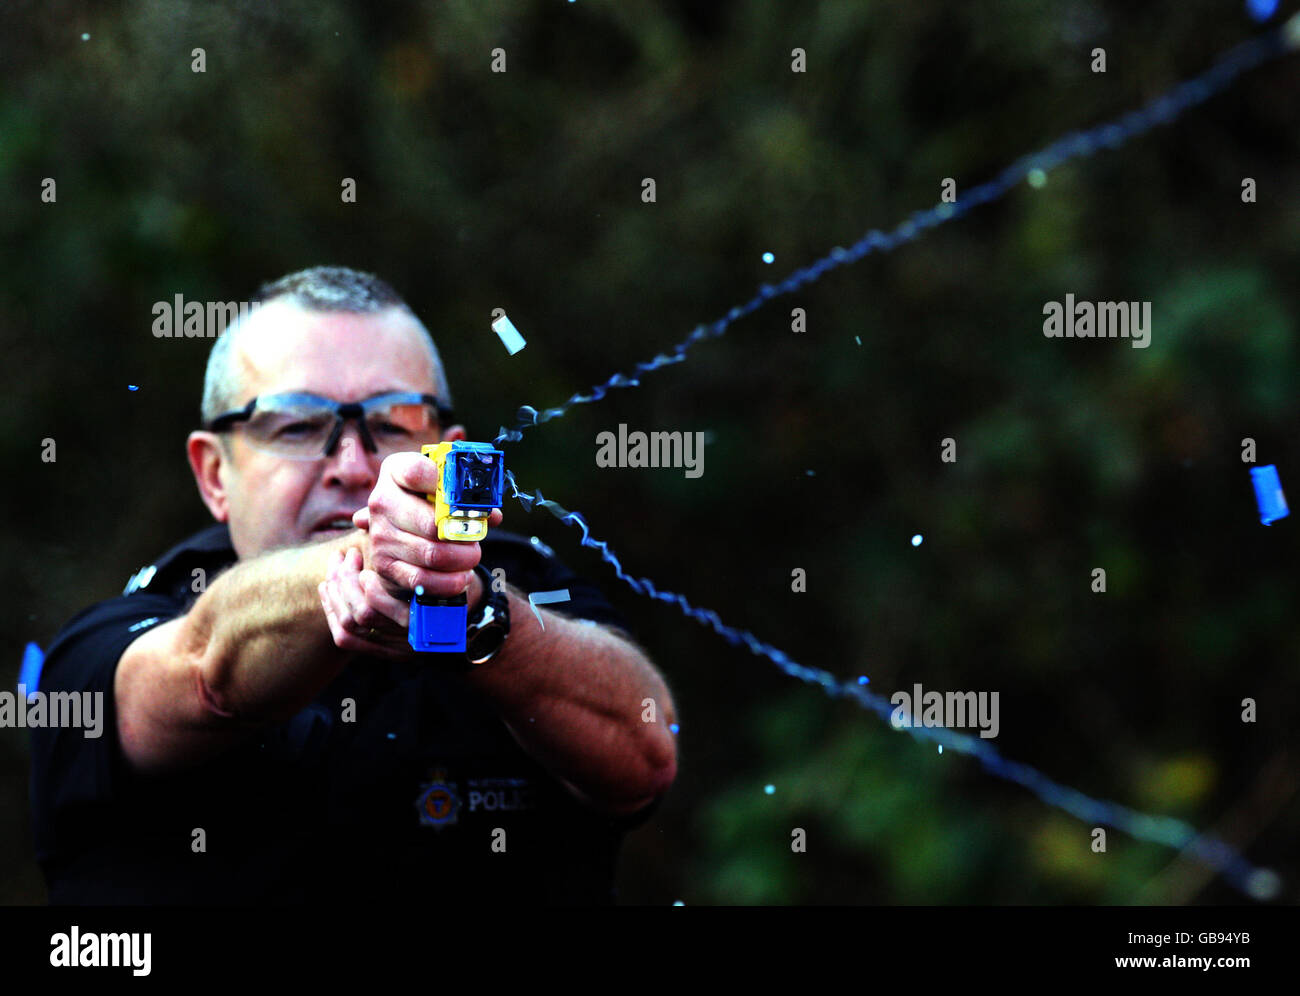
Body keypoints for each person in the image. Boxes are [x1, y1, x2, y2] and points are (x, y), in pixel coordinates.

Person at [29, 266, 678, 905]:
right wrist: (389, 562)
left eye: (393, 423)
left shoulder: (523, 583)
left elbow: (643, 757)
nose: (353, 464)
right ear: (213, 473)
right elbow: (205, 667)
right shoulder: (132, 621)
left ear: (449, 452)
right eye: (297, 426)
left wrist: (483, 622)